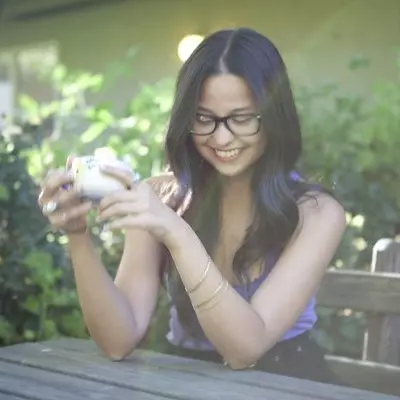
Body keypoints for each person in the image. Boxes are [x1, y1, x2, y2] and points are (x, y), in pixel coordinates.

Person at [38, 27, 347, 384]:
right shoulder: (162, 196)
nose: (221, 137)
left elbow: (245, 349)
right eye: (204, 118)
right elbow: (117, 342)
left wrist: (175, 231)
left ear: (274, 117)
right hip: (184, 379)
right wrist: (77, 234)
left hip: (285, 383)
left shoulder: (316, 212)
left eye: (242, 117)